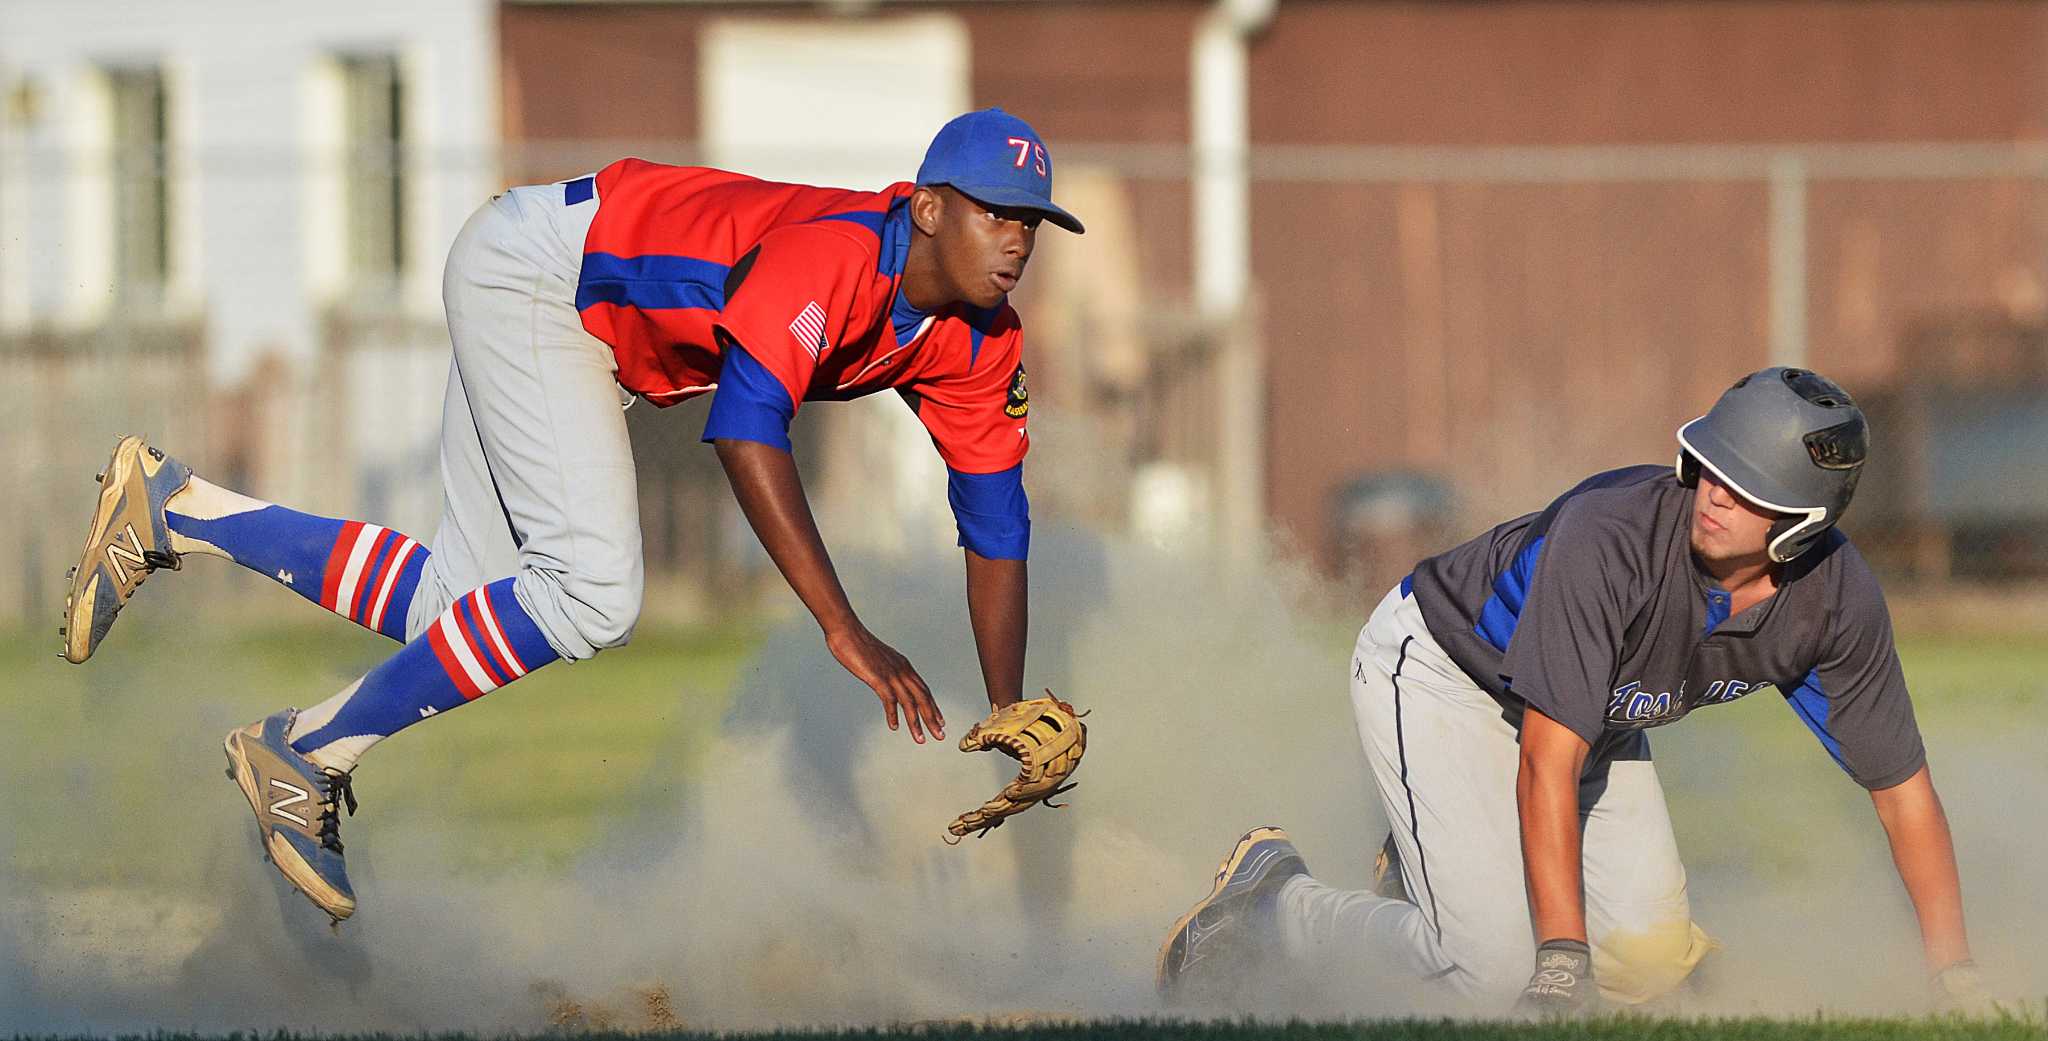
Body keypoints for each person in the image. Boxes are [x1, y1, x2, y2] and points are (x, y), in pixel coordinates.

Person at [60, 107, 1083, 923]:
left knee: (456, 611)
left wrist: (1005, 706)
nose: (1017, 238)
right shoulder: (837, 258)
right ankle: (305, 750)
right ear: (932, 208)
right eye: (997, 211)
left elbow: (995, 523)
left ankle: (176, 507)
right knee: (593, 593)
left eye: (1030, 220)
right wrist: (841, 625)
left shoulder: (977, 338)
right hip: (543, 280)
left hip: (564, 298)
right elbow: (745, 430)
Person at [1156, 368, 1989, 1013]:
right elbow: (1547, 763)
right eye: (1709, 466)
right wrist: (1559, 958)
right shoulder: (1614, 540)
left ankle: (1427, 872)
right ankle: (1271, 906)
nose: (1712, 494)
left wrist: (1954, 976)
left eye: (1746, 490)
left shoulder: (1836, 602)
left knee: (1651, 966)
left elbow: (1903, 795)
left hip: (1591, 711)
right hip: (1444, 669)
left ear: (1803, 526)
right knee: (1491, 971)